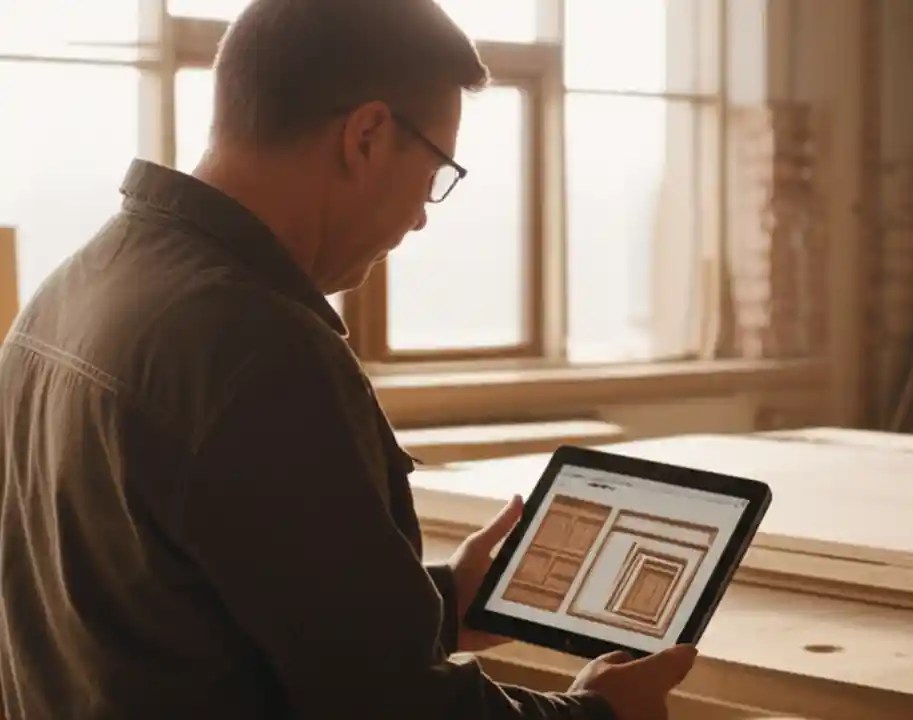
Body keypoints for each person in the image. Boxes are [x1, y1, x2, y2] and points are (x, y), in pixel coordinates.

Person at [0, 0, 698, 718]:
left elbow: (189, 602)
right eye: (436, 171)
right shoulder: (255, 349)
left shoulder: (75, 287)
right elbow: (393, 709)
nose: (425, 214)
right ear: (366, 135)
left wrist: (443, 603)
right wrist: (600, 714)